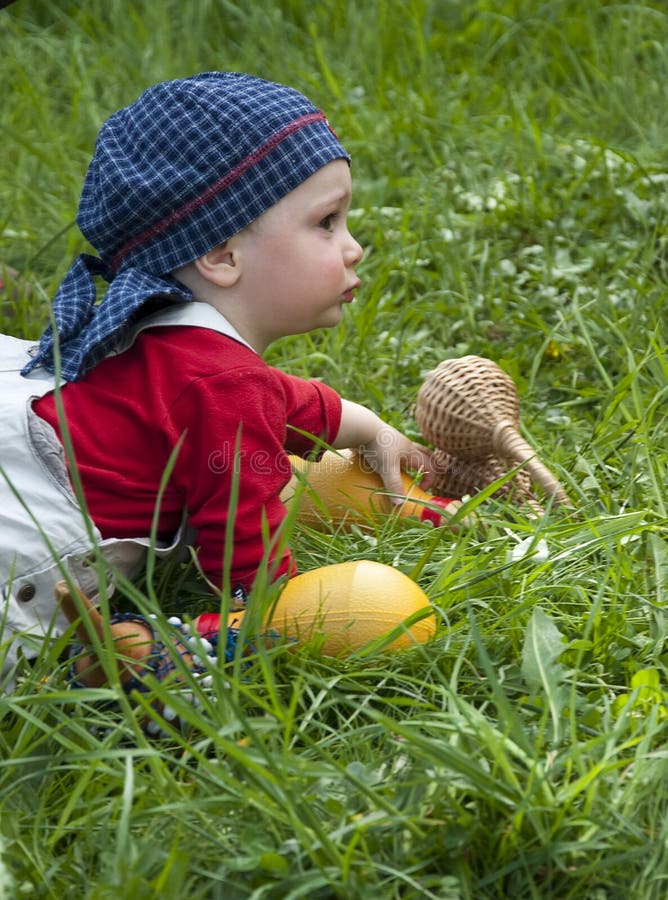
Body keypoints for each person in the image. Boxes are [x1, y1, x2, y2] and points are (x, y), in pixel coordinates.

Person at [0, 72, 451, 697]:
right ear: (221, 255)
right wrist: (249, 620)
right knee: (381, 607)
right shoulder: (221, 386)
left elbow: (288, 404)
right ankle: (150, 652)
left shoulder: (179, 341)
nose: (354, 248)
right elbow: (253, 585)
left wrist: (373, 431)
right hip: (23, 527)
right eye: (326, 223)